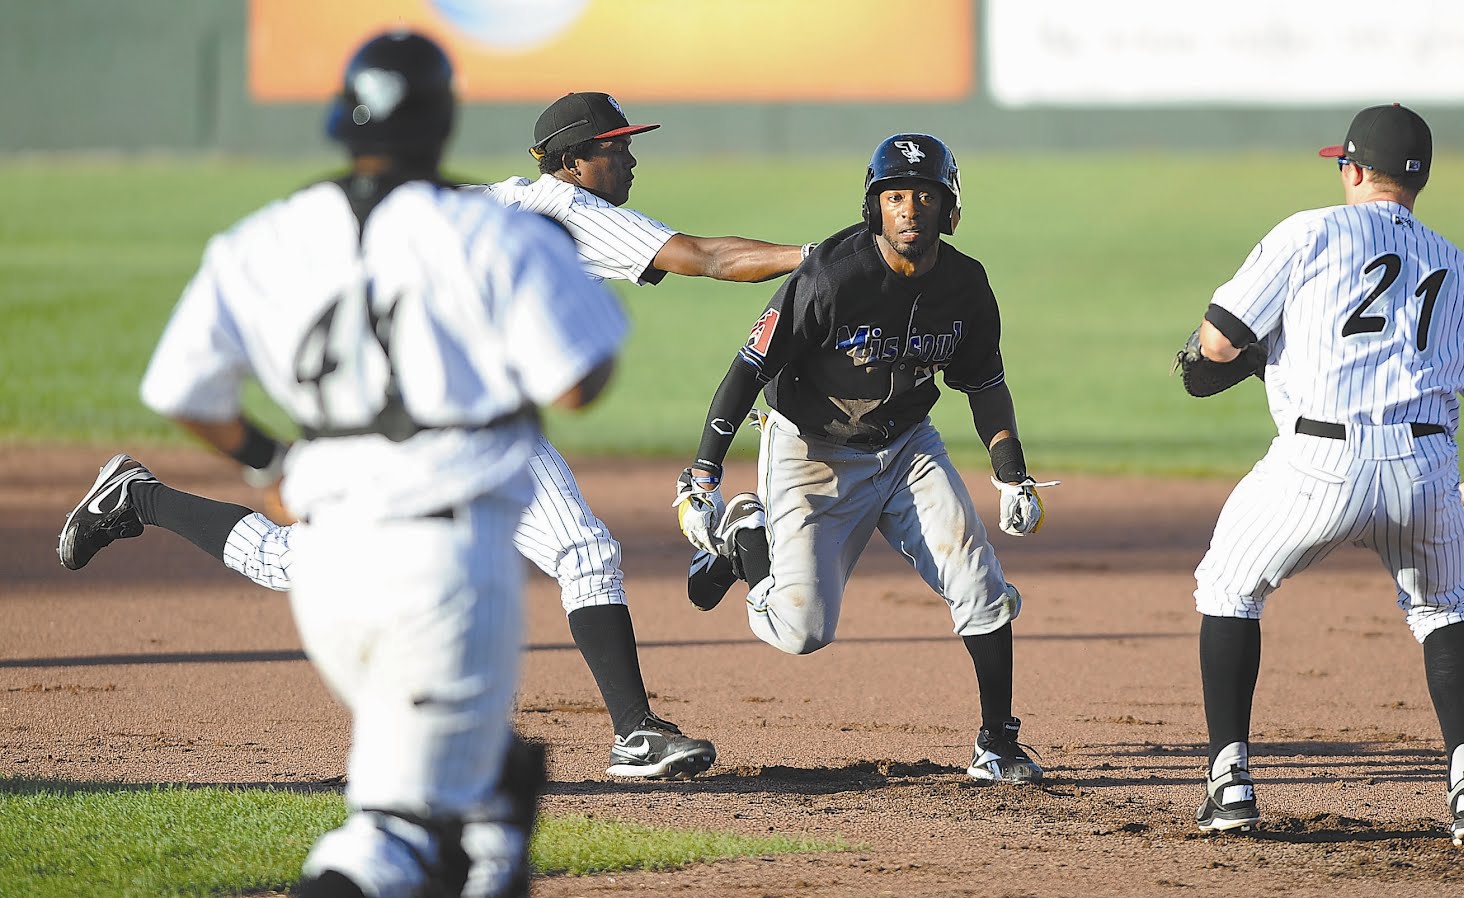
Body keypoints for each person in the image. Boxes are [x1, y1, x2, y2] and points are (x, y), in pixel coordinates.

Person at [58, 90, 816, 780]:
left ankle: (141, 499)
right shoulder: (562, 206)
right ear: (574, 162)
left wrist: (270, 457)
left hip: (374, 417)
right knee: (579, 549)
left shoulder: (460, 203)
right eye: (616, 147)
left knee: (293, 560)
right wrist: (821, 257)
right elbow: (706, 259)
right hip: (452, 420)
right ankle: (634, 732)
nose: (630, 157)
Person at [123, 30, 628, 896]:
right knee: (393, 835)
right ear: (445, 122)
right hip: (442, 568)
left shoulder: (263, 238)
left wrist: (266, 457)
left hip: (325, 568)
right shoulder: (487, 230)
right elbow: (580, 381)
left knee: (476, 810)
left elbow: (182, 389)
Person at [1174, 104, 1464, 846]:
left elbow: (1215, 343)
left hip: (1317, 464)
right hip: (1427, 469)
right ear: (1417, 179)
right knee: (1445, 608)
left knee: (1230, 586)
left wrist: (1228, 357)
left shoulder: (1308, 232)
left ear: (1354, 170)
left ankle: (1230, 780)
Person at [671, 133, 1054, 784]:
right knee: (801, 630)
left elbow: (985, 384)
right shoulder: (829, 275)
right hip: (809, 451)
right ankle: (746, 542)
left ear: (949, 208)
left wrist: (1010, 471)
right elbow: (747, 368)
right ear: (873, 207)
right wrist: (704, 471)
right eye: (895, 196)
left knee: (980, 583)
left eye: (925, 196)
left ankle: (997, 742)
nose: (910, 209)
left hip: (906, 446)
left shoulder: (965, 285)